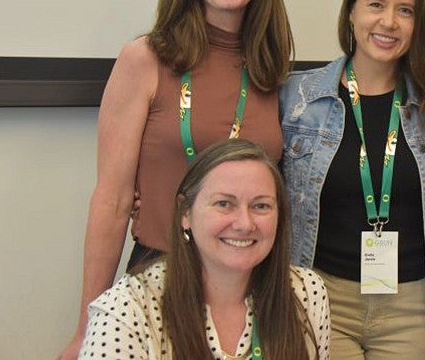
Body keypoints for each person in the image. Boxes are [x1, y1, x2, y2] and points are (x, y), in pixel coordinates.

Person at [59, 0, 292, 358]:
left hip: (249, 288)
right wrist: (87, 325)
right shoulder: (144, 60)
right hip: (159, 278)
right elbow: (111, 201)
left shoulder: (269, 70)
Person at [279, 0, 425, 359]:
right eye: (376, 4)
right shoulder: (297, 97)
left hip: (411, 307)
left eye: (405, 11)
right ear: (351, 11)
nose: (388, 22)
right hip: (319, 296)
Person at [78, 139, 330, 359]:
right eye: (224, 204)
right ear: (186, 213)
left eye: (261, 206)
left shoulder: (306, 292)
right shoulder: (126, 308)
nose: (244, 224)